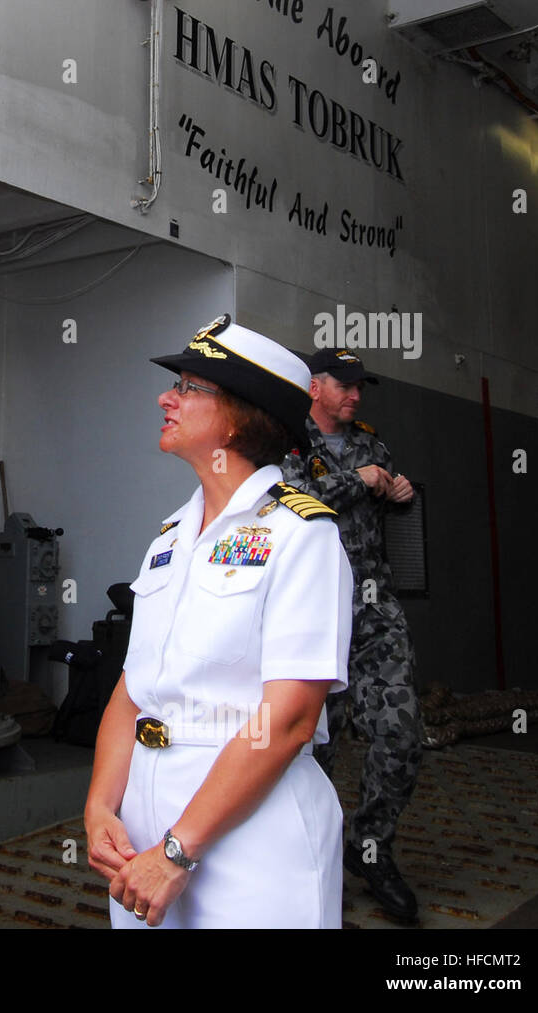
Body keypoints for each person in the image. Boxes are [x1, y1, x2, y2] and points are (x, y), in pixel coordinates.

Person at [85, 314, 353, 929]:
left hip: (249, 841)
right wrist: (102, 806)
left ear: (237, 417)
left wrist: (179, 851)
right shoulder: (171, 538)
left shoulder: (300, 536)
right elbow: (132, 691)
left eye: (188, 386)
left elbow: (288, 719)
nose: (166, 397)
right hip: (144, 835)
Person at [281, 348, 421, 923]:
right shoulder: (284, 440)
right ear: (314, 387)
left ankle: (371, 847)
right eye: (346, 385)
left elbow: (380, 509)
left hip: (373, 608)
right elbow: (287, 503)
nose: (356, 394)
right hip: (312, 612)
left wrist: (400, 495)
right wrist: (354, 481)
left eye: (360, 386)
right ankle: (309, 858)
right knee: (316, 746)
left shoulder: (371, 441)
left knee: (402, 731)